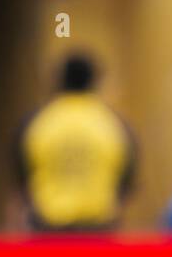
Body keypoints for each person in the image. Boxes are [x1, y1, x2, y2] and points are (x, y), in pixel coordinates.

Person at [15, 54, 135, 232]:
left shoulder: (38, 122)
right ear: (94, 82)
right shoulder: (113, 124)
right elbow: (125, 182)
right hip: (99, 230)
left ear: (58, 81)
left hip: (48, 231)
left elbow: (22, 182)